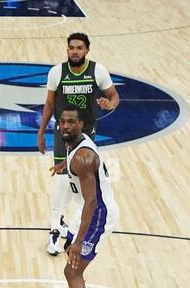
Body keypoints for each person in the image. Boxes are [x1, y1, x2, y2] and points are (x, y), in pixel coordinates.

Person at [36, 32, 118, 256]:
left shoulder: (97, 71)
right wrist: (41, 131)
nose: (75, 51)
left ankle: (68, 223)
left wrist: (109, 103)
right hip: (64, 134)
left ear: (87, 50)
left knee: (80, 182)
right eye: (71, 47)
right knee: (62, 179)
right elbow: (50, 103)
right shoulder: (57, 72)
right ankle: (55, 226)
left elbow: (114, 95)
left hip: (87, 135)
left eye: (79, 48)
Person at [47, 105, 118, 288]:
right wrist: (64, 167)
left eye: (71, 122)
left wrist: (79, 241)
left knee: (73, 270)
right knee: (68, 248)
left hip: (98, 215)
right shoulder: (77, 147)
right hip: (87, 210)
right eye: (62, 122)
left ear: (81, 125)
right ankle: (73, 282)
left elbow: (91, 201)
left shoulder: (82, 158)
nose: (65, 126)